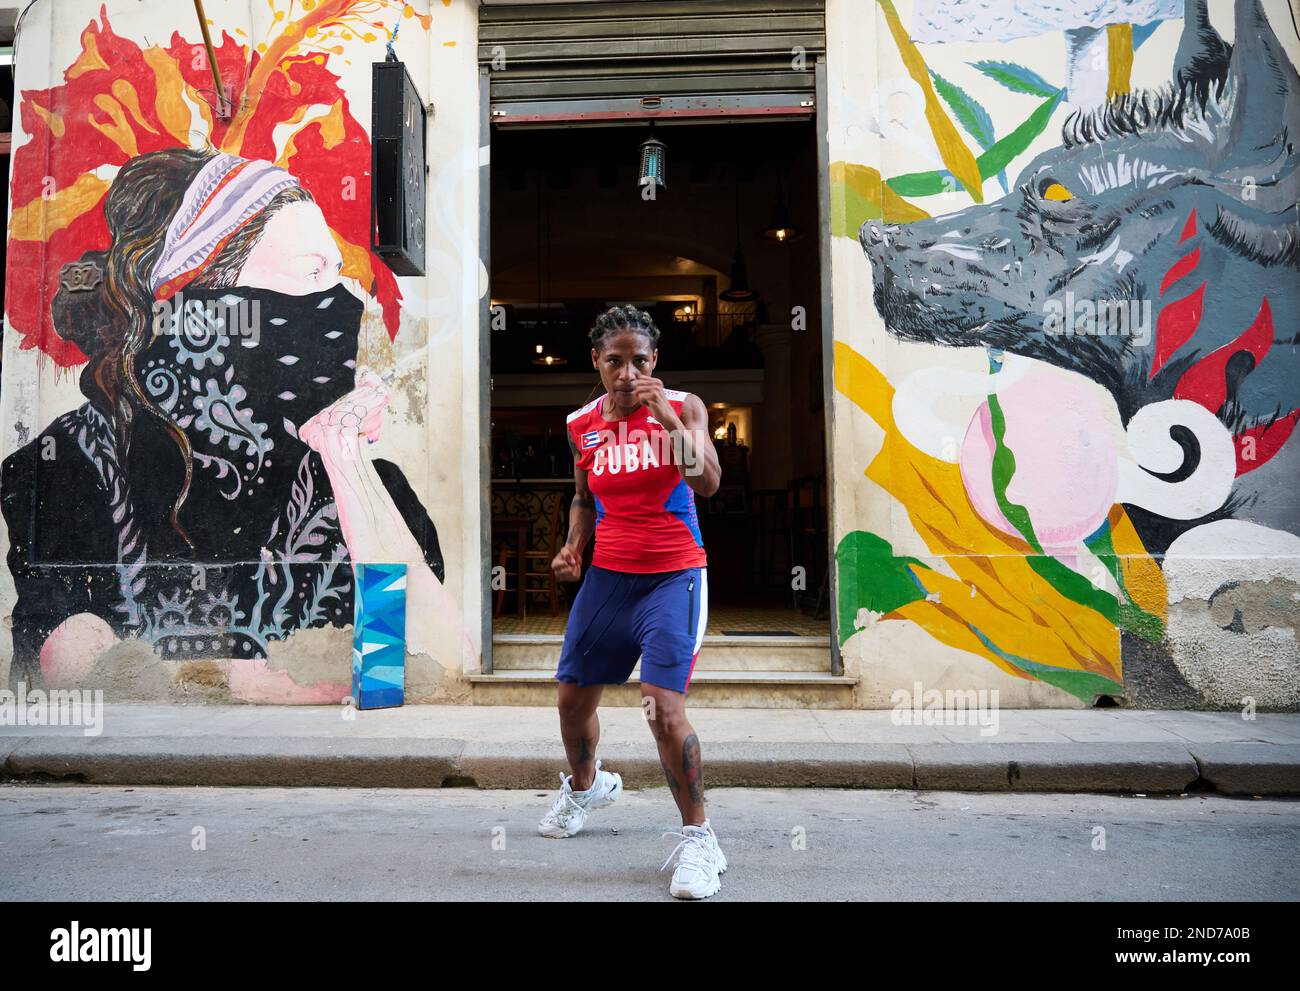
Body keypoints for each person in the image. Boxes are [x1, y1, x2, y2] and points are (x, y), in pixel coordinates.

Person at [1, 146, 464, 695]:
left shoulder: (371, 486)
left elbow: (422, 671)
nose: (342, 301)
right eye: (309, 274)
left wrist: (347, 463)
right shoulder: (72, 468)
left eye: (337, 275)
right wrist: (265, 686)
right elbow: (67, 659)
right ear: (197, 306)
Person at [539, 304, 727, 900]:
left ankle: (700, 840)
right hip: (608, 579)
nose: (626, 373)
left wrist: (666, 416)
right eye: (614, 361)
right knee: (571, 696)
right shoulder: (580, 425)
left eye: (639, 360)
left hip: (674, 576)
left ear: (655, 361)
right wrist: (573, 546)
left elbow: (708, 482)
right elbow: (583, 497)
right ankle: (587, 784)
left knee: (661, 706)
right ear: (595, 361)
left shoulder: (684, 406)